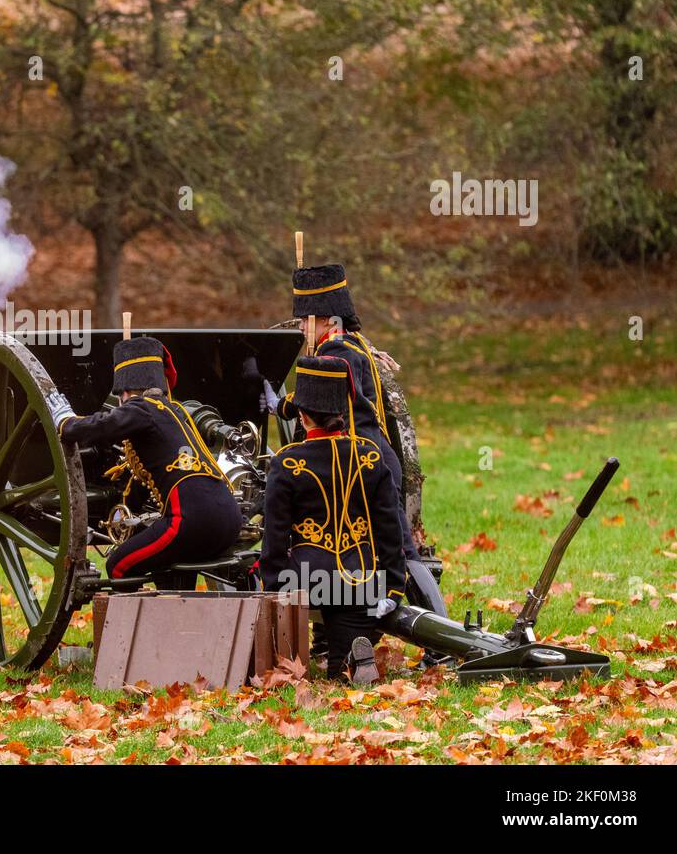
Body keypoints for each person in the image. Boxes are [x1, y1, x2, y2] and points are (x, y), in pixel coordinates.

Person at [45, 336, 243, 586]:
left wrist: (66, 421)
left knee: (117, 565)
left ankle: (131, 626)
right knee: (172, 570)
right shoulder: (177, 411)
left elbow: (100, 427)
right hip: (230, 519)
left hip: (190, 521)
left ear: (125, 392)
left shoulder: (139, 407)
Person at [260, 356, 407, 683]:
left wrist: (273, 589)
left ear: (302, 415)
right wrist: (394, 587)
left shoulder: (286, 462)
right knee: (344, 654)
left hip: (306, 581)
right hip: (361, 581)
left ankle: (340, 657)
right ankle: (349, 658)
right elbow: (389, 528)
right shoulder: (370, 454)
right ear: (342, 413)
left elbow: (274, 538)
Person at [277, 263, 419, 560]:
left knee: (402, 554)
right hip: (369, 459)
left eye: (305, 320)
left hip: (365, 463)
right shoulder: (349, 343)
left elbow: (318, 395)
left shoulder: (338, 351)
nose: (301, 327)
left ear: (327, 320)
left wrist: (282, 405)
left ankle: (425, 606)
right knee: (394, 551)